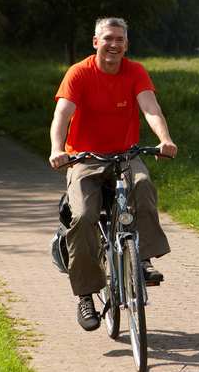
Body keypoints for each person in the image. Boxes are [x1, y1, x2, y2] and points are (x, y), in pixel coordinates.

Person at [49, 17, 177, 331]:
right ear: (96, 42)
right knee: (83, 217)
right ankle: (85, 296)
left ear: (126, 45)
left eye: (120, 39)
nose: (114, 45)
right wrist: (57, 148)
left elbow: (150, 109)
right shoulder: (79, 73)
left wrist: (165, 139)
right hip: (85, 158)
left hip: (125, 154)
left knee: (143, 183)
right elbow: (62, 114)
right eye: (108, 38)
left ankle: (142, 259)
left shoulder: (135, 72)